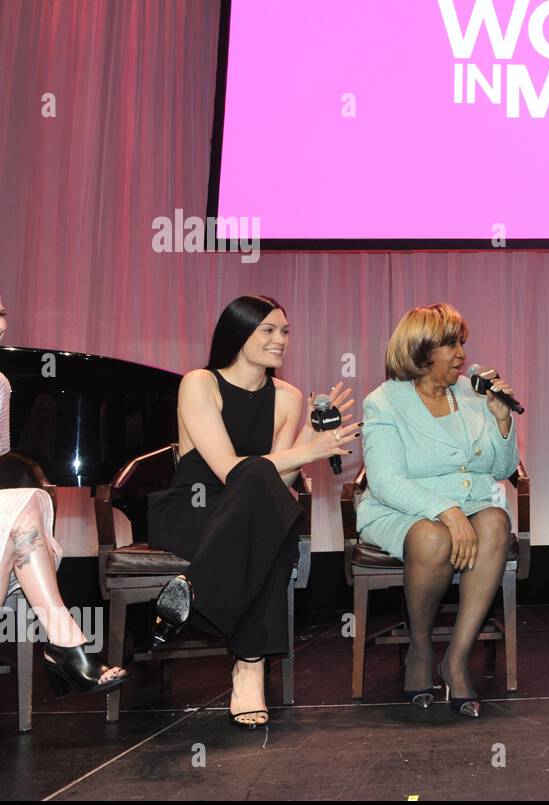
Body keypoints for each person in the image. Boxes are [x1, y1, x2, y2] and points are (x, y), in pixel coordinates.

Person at [147, 295, 358, 728]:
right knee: (267, 516)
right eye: (268, 330)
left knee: (269, 512)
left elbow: (280, 480)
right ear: (238, 332)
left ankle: (199, 596)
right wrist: (308, 451)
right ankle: (249, 665)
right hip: (194, 508)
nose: (281, 340)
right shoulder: (199, 383)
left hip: (251, 514)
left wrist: (308, 434)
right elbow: (229, 469)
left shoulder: (288, 397)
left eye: (285, 331)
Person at [356, 304, 519, 718]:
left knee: (496, 522)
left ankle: (457, 660)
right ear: (421, 349)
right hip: (402, 506)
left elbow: (501, 470)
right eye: (451, 344)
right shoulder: (384, 402)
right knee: (433, 538)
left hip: (472, 503)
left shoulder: (473, 394)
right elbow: (385, 480)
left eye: (462, 343)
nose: (462, 354)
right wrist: (446, 512)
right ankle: (420, 649)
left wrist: (502, 421)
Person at [0, 291, 129, 697]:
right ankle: (65, 648)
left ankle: (64, 642)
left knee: (26, 503)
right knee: (23, 508)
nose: (2, 325)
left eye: (2, 313)